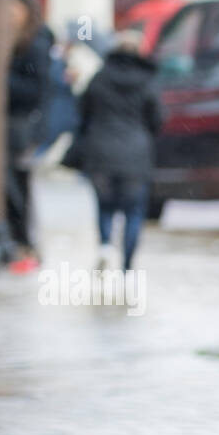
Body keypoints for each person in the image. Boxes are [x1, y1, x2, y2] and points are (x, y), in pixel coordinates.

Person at [76, 31, 163, 271]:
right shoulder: (147, 80)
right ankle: (126, 265)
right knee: (134, 211)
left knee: (104, 206)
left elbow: (82, 111)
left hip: (100, 153)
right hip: (135, 154)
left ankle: (105, 245)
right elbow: (157, 118)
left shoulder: (100, 77)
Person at [6, 0, 54, 273]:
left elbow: (38, 90)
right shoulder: (19, 40)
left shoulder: (35, 43)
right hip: (18, 124)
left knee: (18, 186)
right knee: (17, 186)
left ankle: (27, 246)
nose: (11, 16)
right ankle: (24, 244)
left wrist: (2, 79)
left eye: (16, 11)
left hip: (23, 126)